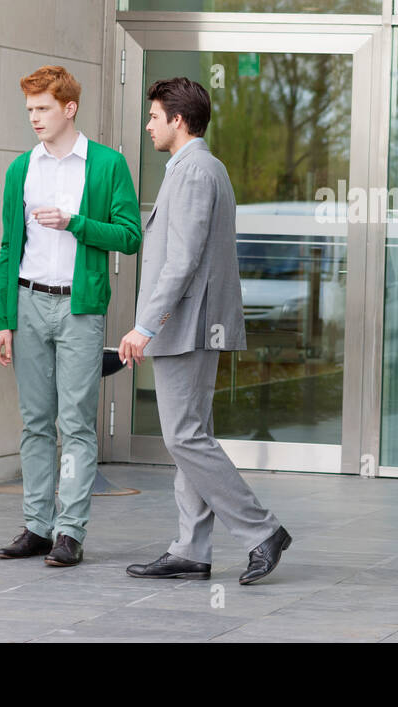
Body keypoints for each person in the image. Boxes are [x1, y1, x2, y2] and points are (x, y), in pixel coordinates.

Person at [119, 77, 291, 585]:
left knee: (185, 436)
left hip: (188, 326)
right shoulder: (193, 168)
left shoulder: (194, 171)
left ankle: (262, 531)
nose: (148, 125)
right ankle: (191, 547)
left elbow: (184, 260)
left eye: (154, 117)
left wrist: (145, 325)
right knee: (192, 434)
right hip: (190, 325)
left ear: (178, 120)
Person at [0, 66, 141, 567]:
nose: (34, 117)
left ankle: (70, 531)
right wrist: (1, 319)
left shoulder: (106, 164)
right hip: (28, 302)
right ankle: (36, 525)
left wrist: (75, 223)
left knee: (75, 422)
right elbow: (9, 247)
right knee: (35, 421)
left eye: (43, 108)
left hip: (79, 306)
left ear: (69, 108)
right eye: (30, 109)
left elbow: (130, 235)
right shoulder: (20, 169)